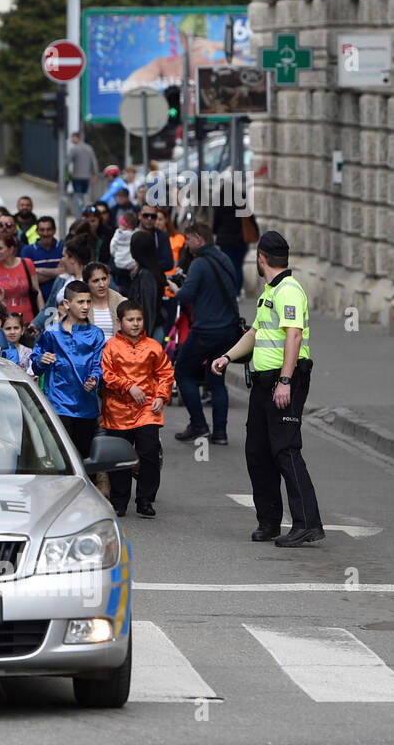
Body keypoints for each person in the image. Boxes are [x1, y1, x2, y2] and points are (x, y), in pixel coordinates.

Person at [209, 231, 324, 547]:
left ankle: (307, 523)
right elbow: (257, 333)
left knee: (286, 450)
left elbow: (294, 337)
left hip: (284, 381)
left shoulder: (289, 290)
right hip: (263, 383)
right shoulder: (270, 291)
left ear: (260, 258)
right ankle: (269, 520)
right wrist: (228, 356)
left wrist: (285, 381)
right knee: (258, 452)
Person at [167, 221, 239, 445]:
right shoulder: (224, 259)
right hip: (228, 330)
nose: (187, 244)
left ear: (199, 239)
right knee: (216, 379)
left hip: (206, 330)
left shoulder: (199, 264)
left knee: (182, 372)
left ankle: (198, 424)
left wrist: (174, 288)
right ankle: (220, 433)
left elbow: (186, 296)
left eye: (188, 239)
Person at [100, 300, 174, 518]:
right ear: (119, 321)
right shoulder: (111, 346)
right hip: (117, 409)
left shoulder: (153, 346)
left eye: (138, 319)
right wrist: (128, 386)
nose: (135, 324)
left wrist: (161, 396)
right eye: (130, 320)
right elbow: (106, 374)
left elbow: (166, 374)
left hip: (147, 408)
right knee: (119, 456)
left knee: (149, 453)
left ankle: (145, 499)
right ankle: (119, 501)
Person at [31, 280, 105, 459]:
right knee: (61, 457)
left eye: (88, 301)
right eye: (80, 302)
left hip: (86, 405)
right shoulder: (51, 333)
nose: (86, 306)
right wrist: (41, 360)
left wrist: (95, 378)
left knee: (86, 457)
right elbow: (36, 366)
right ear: (67, 304)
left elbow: (99, 364)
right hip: (58, 404)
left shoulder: (96, 334)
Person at [0, 232, 40, 322]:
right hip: (4, 318)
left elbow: (37, 291)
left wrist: (40, 318)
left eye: (0, 248)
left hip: (27, 318)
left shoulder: (27, 263)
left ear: (11, 249)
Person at [126, 230, 168, 342]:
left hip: (149, 334)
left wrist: (142, 338)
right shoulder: (150, 271)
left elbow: (148, 309)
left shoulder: (146, 275)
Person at [82, 261, 127, 340]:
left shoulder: (122, 303)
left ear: (109, 279)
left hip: (117, 351)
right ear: (86, 283)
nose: (102, 285)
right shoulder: (80, 305)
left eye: (104, 279)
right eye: (96, 281)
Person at [66, 133, 99, 212]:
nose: (71, 140)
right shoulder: (89, 148)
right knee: (85, 196)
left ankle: (79, 214)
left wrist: (66, 174)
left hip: (77, 177)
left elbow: (67, 162)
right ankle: (86, 211)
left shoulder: (74, 149)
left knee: (78, 196)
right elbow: (94, 162)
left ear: (75, 137)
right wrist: (95, 174)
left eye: (72, 138)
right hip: (87, 177)